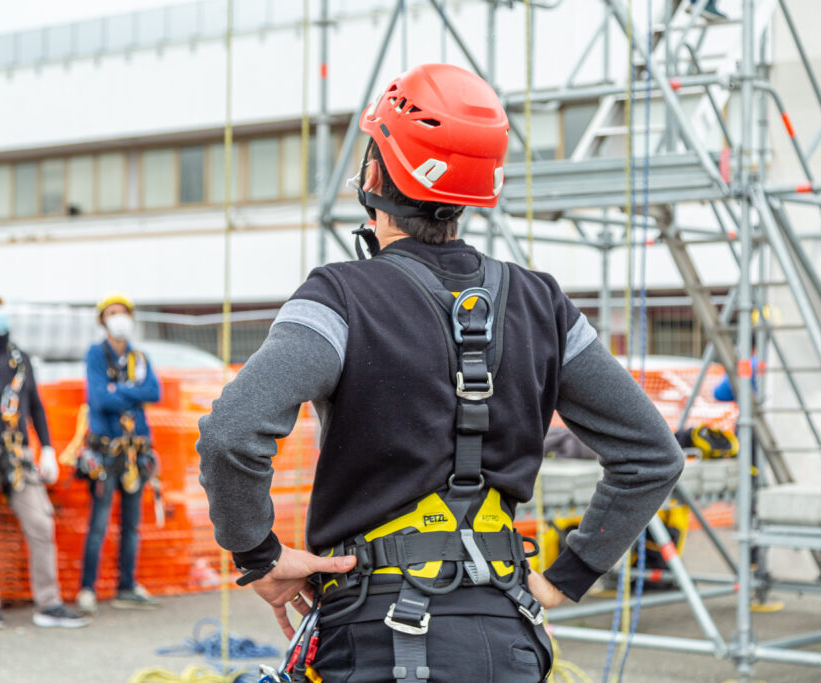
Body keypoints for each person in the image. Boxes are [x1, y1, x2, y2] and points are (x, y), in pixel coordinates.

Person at [197, 63, 683, 682]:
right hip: (510, 638)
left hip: (378, 640)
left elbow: (231, 433)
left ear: (376, 176)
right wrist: (569, 575)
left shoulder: (339, 297)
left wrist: (259, 555)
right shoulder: (543, 304)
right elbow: (652, 455)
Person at [0, 291, 88, 630]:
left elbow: (35, 405)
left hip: (18, 451)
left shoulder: (19, 359)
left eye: (0, 307)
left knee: (41, 524)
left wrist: (48, 448)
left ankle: (49, 604)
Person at [75, 293, 161, 613]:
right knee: (98, 524)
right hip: (106, 452)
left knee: (131, 524)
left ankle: (126, 586)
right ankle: (87, 588)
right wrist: (133, 395)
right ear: (103, 320)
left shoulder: (139, 357)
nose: (118, 318)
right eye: (112, 313)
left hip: (134, 454)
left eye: (122, 312)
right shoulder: (96, 355)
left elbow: (154, 391)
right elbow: (99, 399)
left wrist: (119, 390)